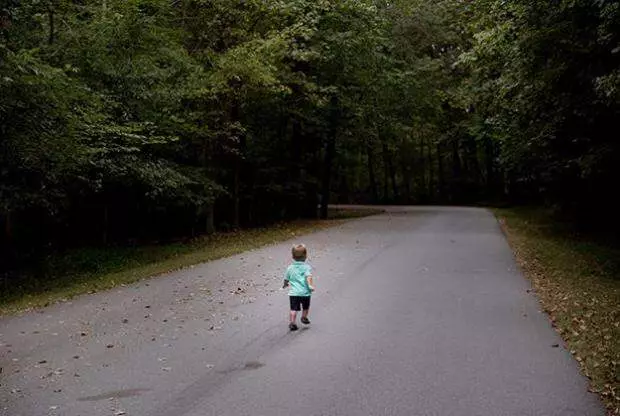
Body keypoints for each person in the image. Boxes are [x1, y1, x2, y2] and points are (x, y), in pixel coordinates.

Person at [283, 244, 315, 331]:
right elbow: (308, 276)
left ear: (293, 256)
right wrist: (310, 285)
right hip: (305, 293)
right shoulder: (306, 267)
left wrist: (285, 284)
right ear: (305, 256)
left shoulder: (290, 268)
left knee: (293, 309)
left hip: (294, 293)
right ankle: (304, 317)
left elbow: (286, 279)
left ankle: (292, 323)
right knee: (305, 307)